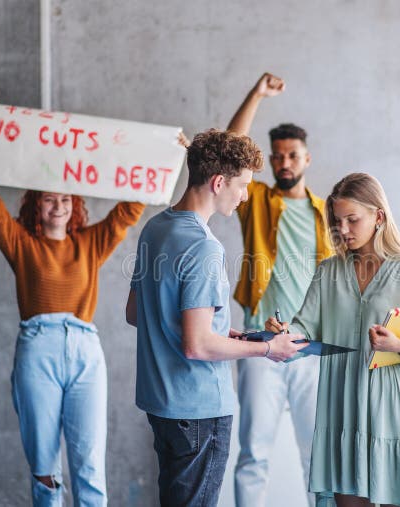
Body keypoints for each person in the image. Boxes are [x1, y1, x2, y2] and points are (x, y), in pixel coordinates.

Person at [0, 106, 147, 506]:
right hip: (38, 351)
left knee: (90, 469)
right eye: (49, 199)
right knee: (46, 472)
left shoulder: (90, 243)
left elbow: (129, 210)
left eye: (65, 198)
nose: (59, 206)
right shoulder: (22, 244)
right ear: (36, 205)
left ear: (75, 203)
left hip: (86, 351)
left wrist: (163, 156)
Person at [125, 129, 308, 507]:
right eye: (241, 185)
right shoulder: (204, 247)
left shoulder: (155, 229)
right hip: (199, 413)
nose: (244, 195)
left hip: (162, 407)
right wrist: (268, 348)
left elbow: (136, 313)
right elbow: (197, 345)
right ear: (218, 182)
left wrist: (225, 332)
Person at [266, 173, 400, 507]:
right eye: (338, 221)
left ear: (378, 216)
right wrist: (278, 335)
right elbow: (303, 330)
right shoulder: (328, 272)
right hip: (343, 411)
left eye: (353, 219)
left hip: (393, 414)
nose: (344, 230)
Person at [227, 72, 332, 507]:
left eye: (292, 156)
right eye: (277, 157)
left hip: (310, 348)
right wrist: (256, 94)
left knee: (317, 459)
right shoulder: (255, 202)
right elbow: (230, 149)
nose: (284, 163)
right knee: (253, 455)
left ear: (307, 159)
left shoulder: (327, 214)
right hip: (259, 343)